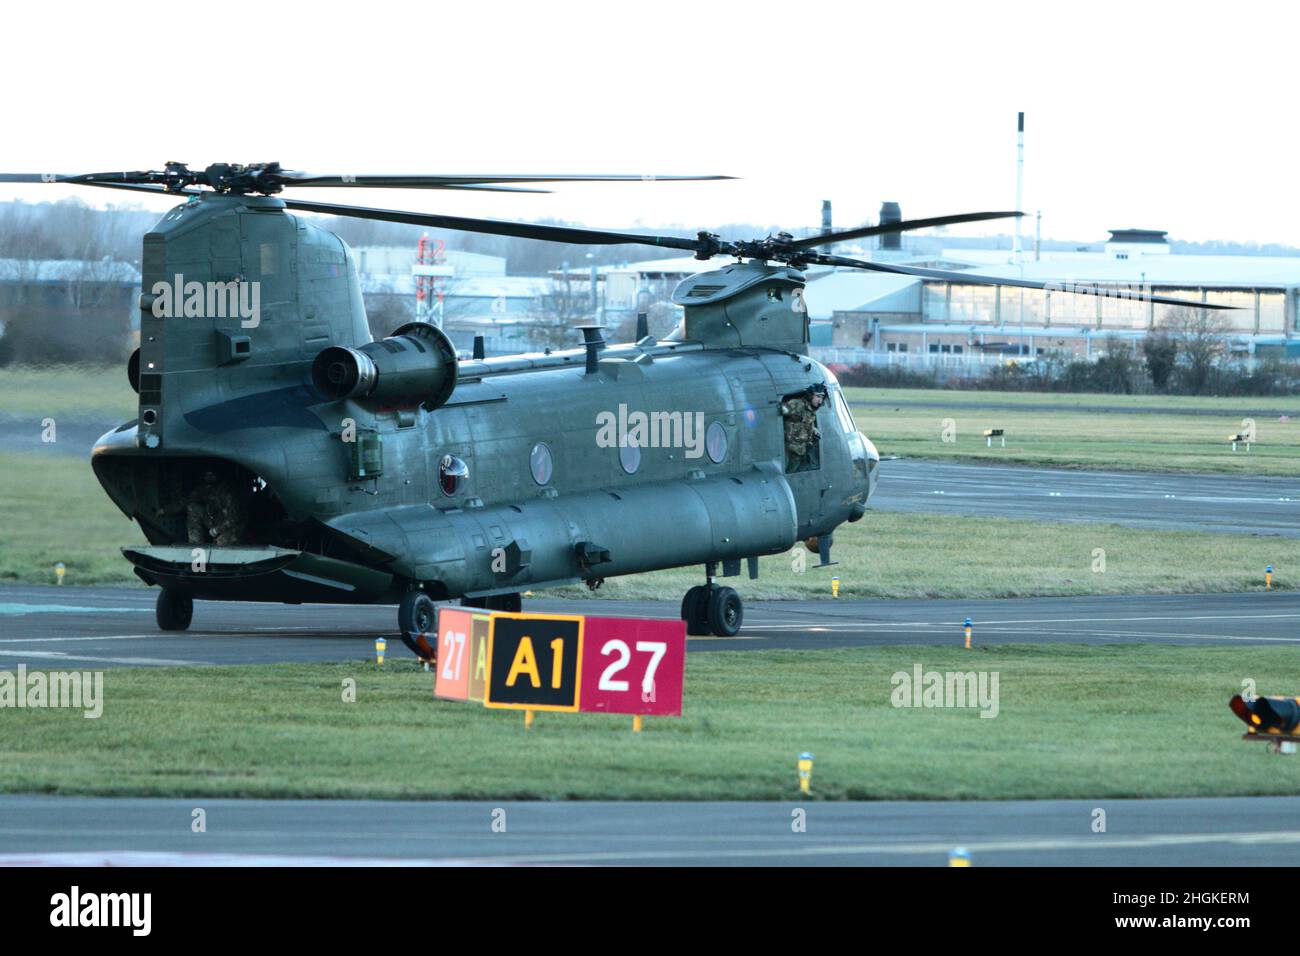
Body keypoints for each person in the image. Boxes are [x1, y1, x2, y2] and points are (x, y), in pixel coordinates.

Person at [186, 471, 248, 546]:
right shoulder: (203, 489)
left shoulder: (228, 492)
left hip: (231, 527)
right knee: (192, 508)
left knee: (220, 543)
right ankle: (196, 545)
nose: (209, 478)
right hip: (214, 521)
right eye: (207, 475)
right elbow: (188, 500)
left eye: (212, 475)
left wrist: (218, 530)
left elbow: (234, 518)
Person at [782, 385, 826, 472]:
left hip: (801, 449)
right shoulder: (797, 404)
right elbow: (781, 410)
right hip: (790, 450)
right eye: (817, 396)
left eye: (821, 397)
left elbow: (806, 422)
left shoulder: (811, 409)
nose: (820, 400)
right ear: (810, 396)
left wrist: (813, 430)